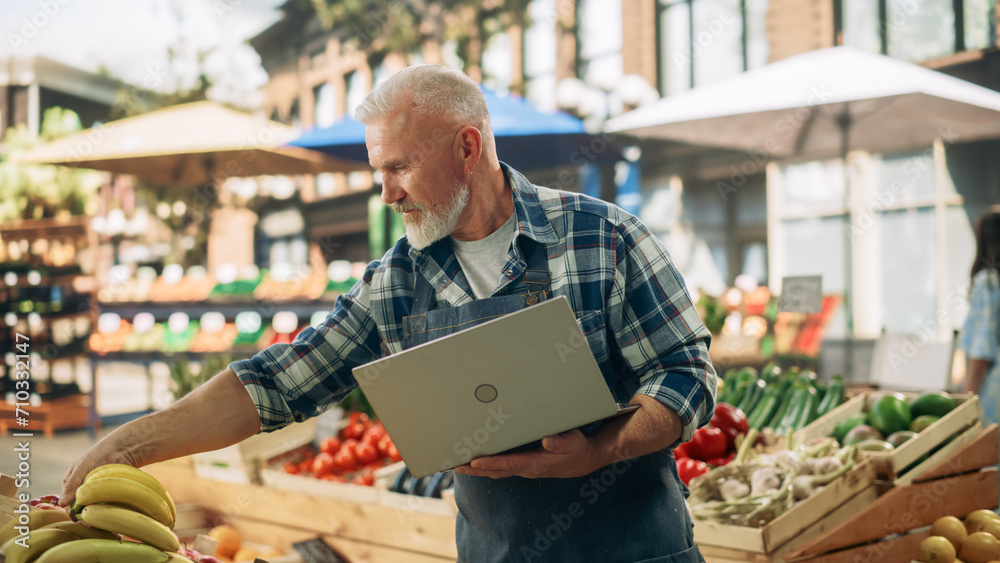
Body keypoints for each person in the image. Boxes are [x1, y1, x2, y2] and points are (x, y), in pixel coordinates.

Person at [61, 65, 716, 562]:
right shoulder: (396, 280)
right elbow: (275, 383)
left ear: (467, 146)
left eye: (399, 166)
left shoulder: (605, 237)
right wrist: (126, 444)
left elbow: (687, 376)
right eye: (379, 170)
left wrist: (599, 449)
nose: (385, 193)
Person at [961, 204, 1000, 426]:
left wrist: (968, 396)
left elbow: (982, 349)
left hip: (993, 389)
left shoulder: (988, 282)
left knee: (989, 455)